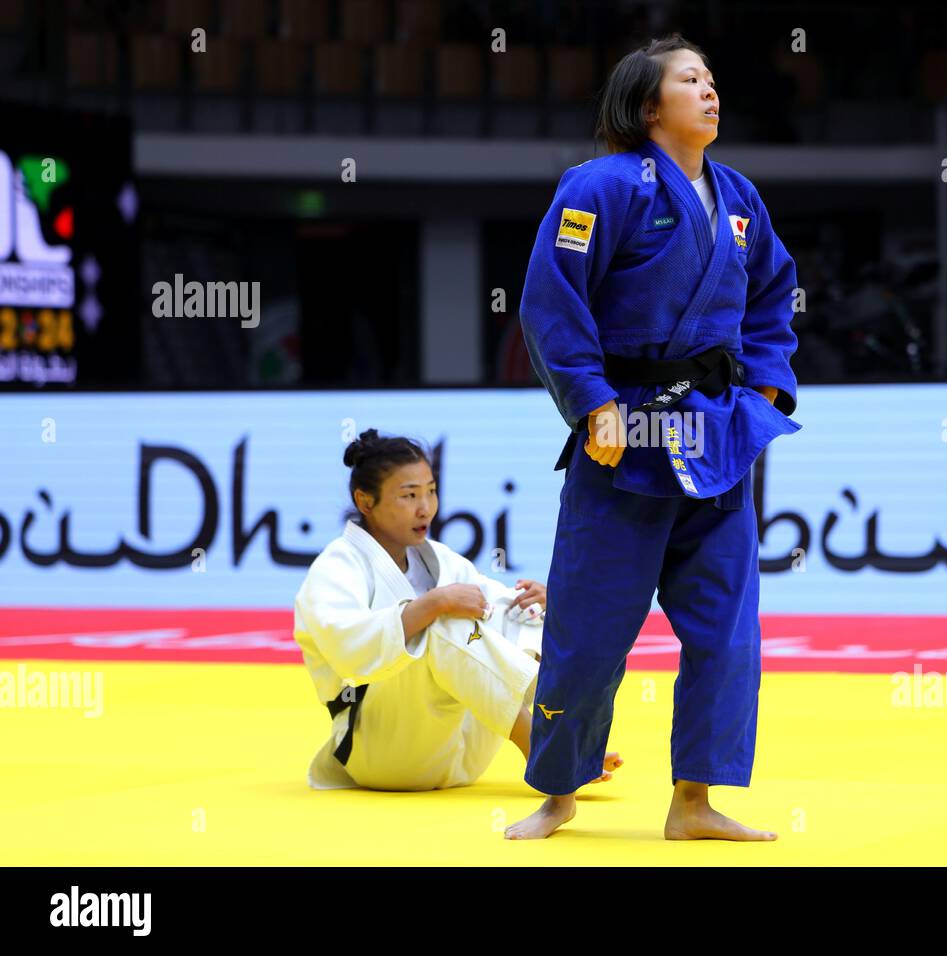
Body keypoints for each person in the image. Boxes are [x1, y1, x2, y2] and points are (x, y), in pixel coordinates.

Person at [509, 34, 800, 839]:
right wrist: (590, 399)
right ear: (647, 106)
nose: (710, 91)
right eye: (689, 80)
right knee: (591, 630)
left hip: (715, 436)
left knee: (727, 633)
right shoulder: (601, 186)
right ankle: (560, 792)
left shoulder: (739, 198)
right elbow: (551, 302)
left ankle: (695, 803)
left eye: (712, 78)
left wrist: (769, 379)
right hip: (624, 435)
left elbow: (776, 293)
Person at [292, 428, 622, 792]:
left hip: (457, 754)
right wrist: (432, 604)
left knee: (517, 609)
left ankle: (563, 730)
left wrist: (551, 601)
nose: (426, 507)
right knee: (441, 620)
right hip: (382, 753)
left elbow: (493, 606)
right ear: (365, 501)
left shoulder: (436, 559)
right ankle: (545, 743)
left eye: (431, 491)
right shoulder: (337, 566)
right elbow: (348, 650)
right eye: (409, 495)